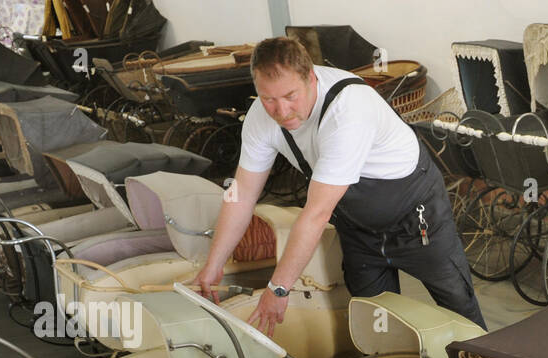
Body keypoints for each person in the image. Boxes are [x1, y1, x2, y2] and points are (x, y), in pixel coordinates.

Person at [193, 35, 486, 335]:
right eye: (269, 99)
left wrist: (279, 289)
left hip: (416, 216)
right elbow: (240, 195)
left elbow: (316, 214)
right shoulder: (260, 117)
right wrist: (215, 264)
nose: (281, 110)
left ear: (310, 77)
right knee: (373, 322)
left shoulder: (347, 110)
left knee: (459, 310)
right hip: (357, 225)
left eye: (291, 95)